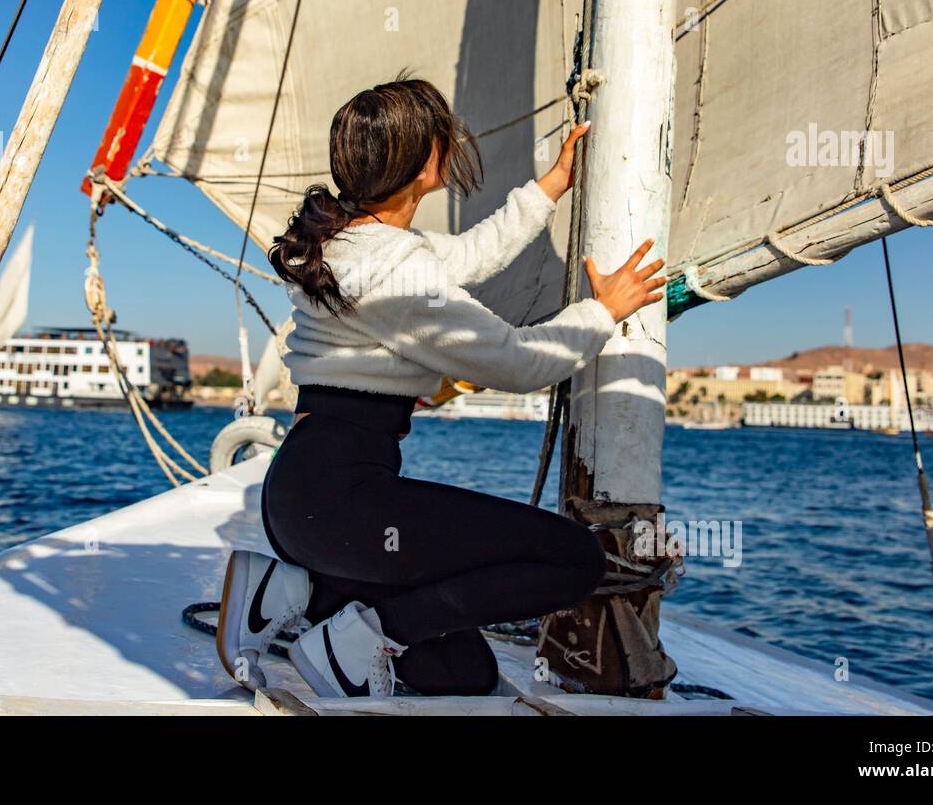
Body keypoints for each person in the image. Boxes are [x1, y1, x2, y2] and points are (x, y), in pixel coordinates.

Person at [216, 77, 664, 697]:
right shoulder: (398, 270)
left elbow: (471, 255)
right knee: (571, 560)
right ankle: (358, 633)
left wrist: (551, 186)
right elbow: (517, 363)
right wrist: (602, 311)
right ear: (423, 160)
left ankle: (291, 591)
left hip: (304, 498)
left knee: (462, 676)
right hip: (343, 502)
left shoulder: (359, 242)